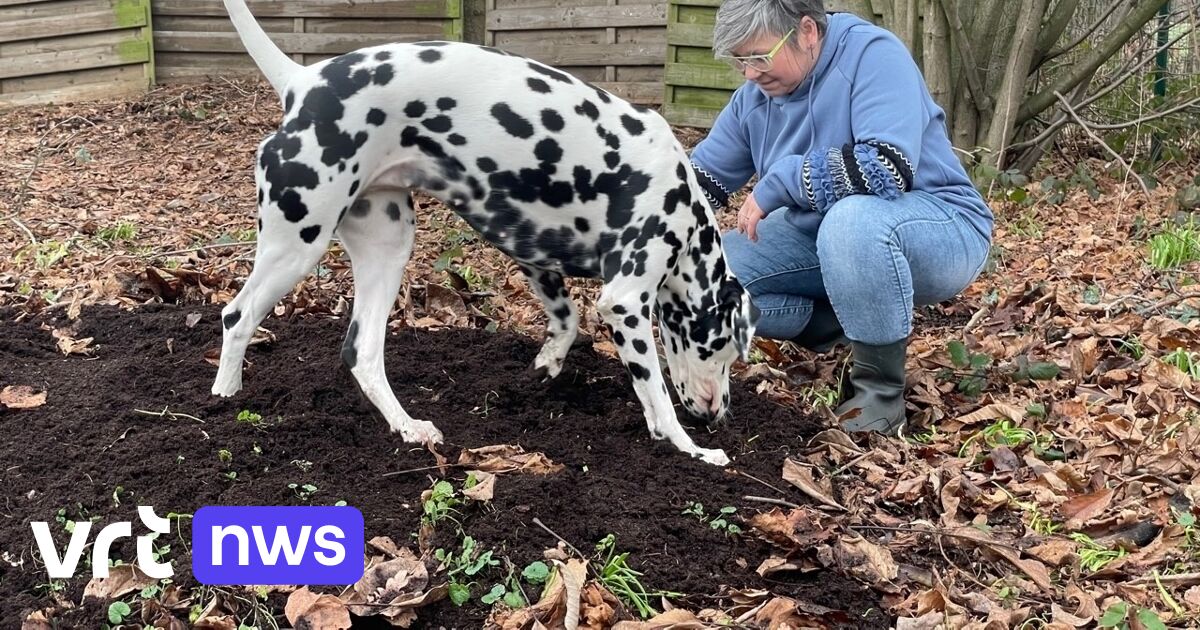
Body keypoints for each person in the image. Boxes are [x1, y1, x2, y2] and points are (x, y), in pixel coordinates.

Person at [688, 0, 993, 435]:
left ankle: (879, 395)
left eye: (759, 57)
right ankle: (845, 329)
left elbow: (885, 166)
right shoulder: (754, 99)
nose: (750, 73)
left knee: (851, 220)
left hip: (938, 225)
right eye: (740, 61)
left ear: (807, 32)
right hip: (823, 240)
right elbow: (697, 182)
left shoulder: (872, 56)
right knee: (703, 275)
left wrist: (782, 181)